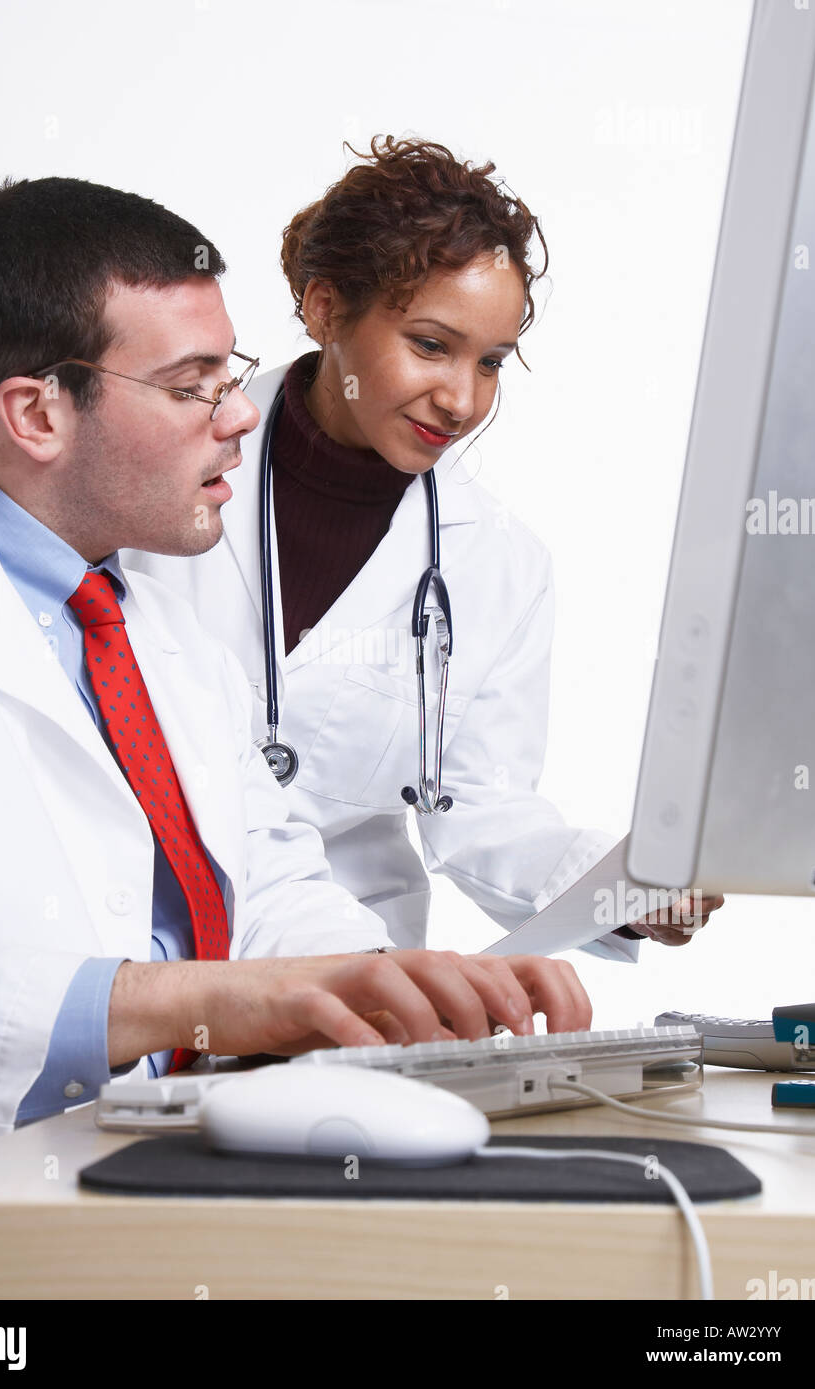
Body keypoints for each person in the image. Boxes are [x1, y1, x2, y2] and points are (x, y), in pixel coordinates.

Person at [0, 175, 591, 1174]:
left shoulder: (144, 613)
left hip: (161, 1157)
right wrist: (205, 999)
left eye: (230, 375)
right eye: (191, 385)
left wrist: (394, 987)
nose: (239, 419)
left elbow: (266, 875)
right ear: (37, 414)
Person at [124, 136, 724, 956]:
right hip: (141, 949)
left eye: (492, 362)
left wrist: (628, 885)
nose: (463, 399)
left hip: (353, 972)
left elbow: (478, 813)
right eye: (431, 346)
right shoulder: (150, 473)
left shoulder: (501, 566)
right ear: (324, 307)